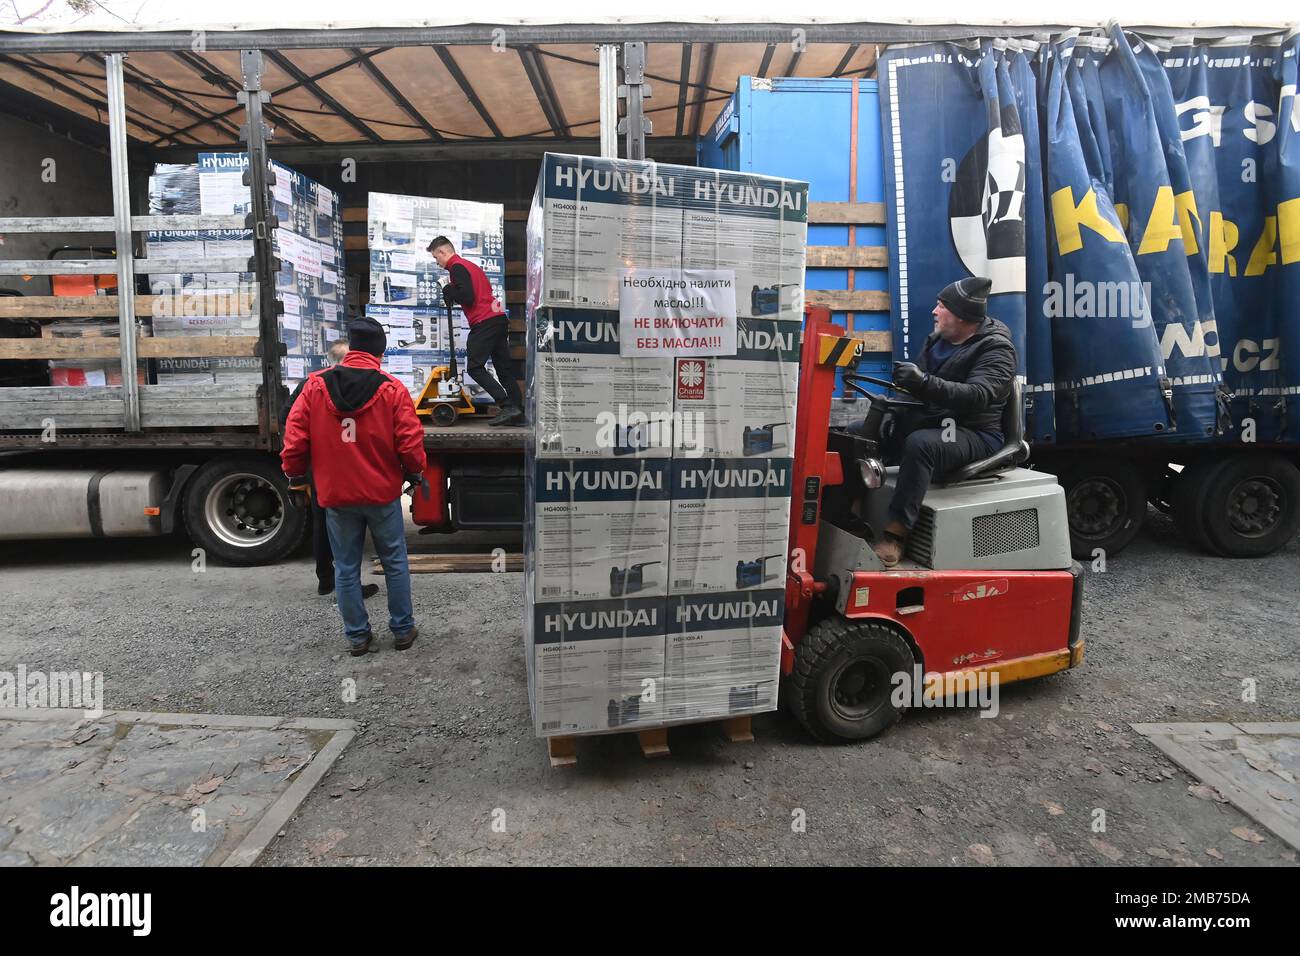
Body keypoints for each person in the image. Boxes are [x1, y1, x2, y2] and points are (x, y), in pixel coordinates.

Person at [282, 317, 428, 656]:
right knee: (394, 562)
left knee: (345, 567)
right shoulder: (391, 389)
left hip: (337, 495)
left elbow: (295, 439)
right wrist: (414, 472)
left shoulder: (315, 386)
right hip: (381, 493)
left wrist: (295, 476)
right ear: (380, 350)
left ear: (352, 346)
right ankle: (403, 630)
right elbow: (410, 441)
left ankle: (358, 637)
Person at [872, 276, 1016, 567]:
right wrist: (893, 412)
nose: (934, 312)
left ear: (962, 317)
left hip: (974, 432)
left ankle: (895, 534)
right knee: (859, 435)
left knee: (920, 444)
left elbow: (978, 395)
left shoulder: (997, 349)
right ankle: (849, 512)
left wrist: (924, 382)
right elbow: (912, 389)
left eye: (942, 307)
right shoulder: (937, 340)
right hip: (934, 420)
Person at [283, 341, 379, 601]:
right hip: (349, 466)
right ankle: (348, 585)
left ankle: (326, 580)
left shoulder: (310, 384)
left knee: (323, 523)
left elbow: (287, 420)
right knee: (349, 526)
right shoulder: (362, 384)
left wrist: (302, 464)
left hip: (320, 466)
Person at [427, 235, 523, 426]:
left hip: (484, 321)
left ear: (442, 252)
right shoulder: (471, 266)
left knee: (475, 368)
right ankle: (518, 413)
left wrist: (448, 289)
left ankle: (506, 406)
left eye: (436, 258)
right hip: (497, 319)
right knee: (503, 369)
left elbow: (468, 297)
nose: (437, 263)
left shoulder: (456, 267)